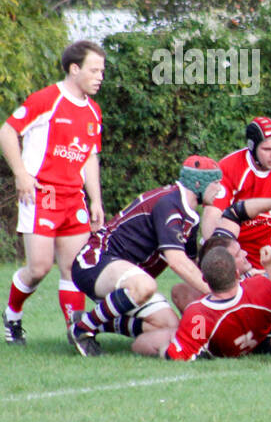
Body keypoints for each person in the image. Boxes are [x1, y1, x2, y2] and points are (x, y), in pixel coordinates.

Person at [1, 40, 106, 345]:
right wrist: (21, 174)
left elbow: (89, 156)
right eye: (94, 70)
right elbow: (7, 131)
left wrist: (96, 199)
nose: (100, 76)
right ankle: (12, 314)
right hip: (42, 195)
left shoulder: (93, 112)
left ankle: (77, 332)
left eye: (102, 71)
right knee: (38, 268)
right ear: (74, 69)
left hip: (74, 198)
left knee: (74, 268)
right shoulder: (47, 99)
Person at [68, 155, 224, 356]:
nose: (219, 189)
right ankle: (82, 330)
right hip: (95, 262)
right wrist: (216, 294)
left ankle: (89, 321)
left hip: (124, 274)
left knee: (168, 326)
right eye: (215, 183)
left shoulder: (191, 216)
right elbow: (177, 262)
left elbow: (192, 265)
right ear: (197, 183)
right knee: (145, 285)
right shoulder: (169, 203)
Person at [203, 116, 271, 269]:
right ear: (252, 147)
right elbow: (211, 218)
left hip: (268, 253)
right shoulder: (230, 167)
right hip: (233, 252)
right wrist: (220, 260)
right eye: (267, 149)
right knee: (184, 292)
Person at [164, 246, 271, 360]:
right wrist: (270, 267)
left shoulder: (197, 312)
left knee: (157, 339)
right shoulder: (260, 285)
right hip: (260, 341)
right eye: (238, 253)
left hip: (224, 348)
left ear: (204, 279)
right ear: (236, 273)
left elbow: (177, 357)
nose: (245, 254)